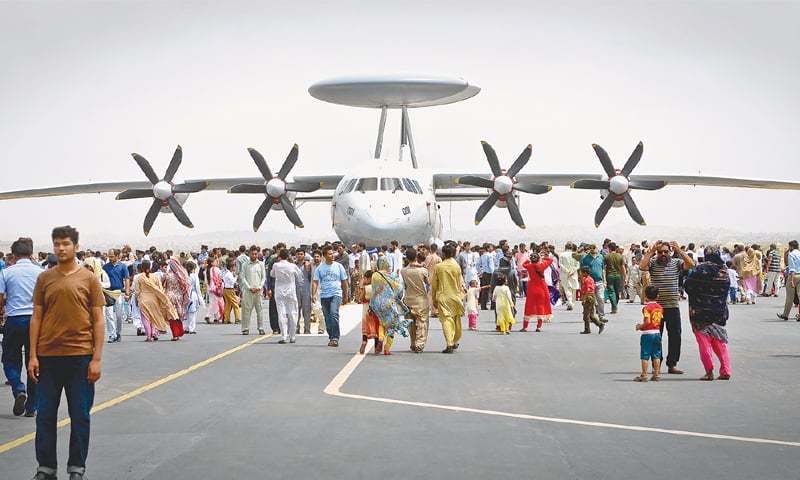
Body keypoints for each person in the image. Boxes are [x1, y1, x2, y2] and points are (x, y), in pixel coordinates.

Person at [28, 226, 105, 480]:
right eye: (57, 244)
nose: (61, 248)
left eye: (65, 244)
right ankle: (46, 467)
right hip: (48, 357)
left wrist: (96, 358)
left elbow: (98, 319)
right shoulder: (44, 278)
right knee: (45, 416)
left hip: (80, 357)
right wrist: (33, 356)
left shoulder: (89, 279)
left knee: (80, 416)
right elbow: (37, 316)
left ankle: (76, 468)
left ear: (76, 246)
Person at [0, 237, 43, 417]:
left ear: (14, 255)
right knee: (34, 363)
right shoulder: (41, 272)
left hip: (14, 320)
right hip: (36, 321)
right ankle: (31, 406)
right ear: (31, 253)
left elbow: (1, 299)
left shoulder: (6, 273)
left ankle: (18, 388)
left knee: (10, 359)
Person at [639, 241, 695, 374]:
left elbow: (691, 264)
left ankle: (672, 364)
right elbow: (642, 266)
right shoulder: (652, 262)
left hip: (672, 306)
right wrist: (651, 252)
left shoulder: (676, 262)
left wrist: (680, 251)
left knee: (675, 336)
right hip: (656, 308)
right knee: (656, 336)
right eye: (660, 252)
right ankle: (656, 364)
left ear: (670, 252)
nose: (663, 254)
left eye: (665, 251)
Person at [684, 248, 732, 381]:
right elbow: (726, 288)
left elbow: (688, 286)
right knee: (720, 343)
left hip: (700, 314)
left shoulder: (699, 270)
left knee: (704, 344)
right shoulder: (724, 271)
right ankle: (726, 370)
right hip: (718, 313)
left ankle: (709, 371)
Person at [370, 258, 410, 355]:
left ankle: (380, 339)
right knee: (392, 326)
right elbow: (400, 288)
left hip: (378, 303)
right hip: (389, 303)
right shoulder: (392, 276)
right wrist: (398, 298)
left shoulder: (375, 275)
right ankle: (387, 348)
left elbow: (374, 289)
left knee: (381, 324)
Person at [430, 244, 465, 353]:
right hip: (456, 296)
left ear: (444, 254)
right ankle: (454, 341)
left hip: (444, 297)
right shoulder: (457, 266)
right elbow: (460, 283)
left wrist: (434, 300)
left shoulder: (439, 267)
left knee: (446, 320)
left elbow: (434, 285)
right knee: (456, 320)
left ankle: (450, 343)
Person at [312, 246, 349, 347]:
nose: (332, 255)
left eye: (333, 253)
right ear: (324, 256)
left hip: (336, 294)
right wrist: (313, 294)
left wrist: (346, 295)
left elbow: (344, 281)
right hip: (324, 296)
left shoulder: (338, 266)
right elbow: (315, 282)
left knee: (334, 314)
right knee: (327, 318)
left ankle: (335, 337)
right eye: (329, 254)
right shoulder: (320, 268)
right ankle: (331, 336)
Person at [133, 260, 174, 342]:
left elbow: (137, 291)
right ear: (150, 267)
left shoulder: (139, 277)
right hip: (154, 299)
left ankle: (149, 336)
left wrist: (136, 299)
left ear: (141, 267)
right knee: (153, 317)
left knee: (145, 318)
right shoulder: (155, 276)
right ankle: (154, 333)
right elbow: (160, 288)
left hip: (143, 299)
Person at [401, 249, 431, 353]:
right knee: (422, 322)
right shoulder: (423, 270)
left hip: (408, 299)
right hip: (421, 300)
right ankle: (419, 344)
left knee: (411, 323)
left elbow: (404, 285)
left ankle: (413, 343)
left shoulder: (403, 271)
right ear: (416, 257)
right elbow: (428, 283)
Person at [271, 249, 301, 344]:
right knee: (293, 313)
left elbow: (272, 274)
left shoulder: (276, 265)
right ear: (288, 256)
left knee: (281, 313)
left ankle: (284, 336)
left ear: (280, 256)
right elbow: (299, 277)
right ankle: (292, 336)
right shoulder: (293, 266)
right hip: (291, 291)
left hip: (279, 291)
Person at [635, 285, 664, 382]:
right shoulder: (660, 307)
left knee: (645, 354)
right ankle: (656, 374)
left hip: (648, 333)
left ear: (646, 297)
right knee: (656, 354)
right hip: (657, 333)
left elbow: (647, 321)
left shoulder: (646, 308)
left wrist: (640, 326)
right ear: (657, 296)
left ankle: (644, 374)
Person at [521, 248, 554, 332]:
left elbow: (524, 264)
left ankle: (525, 327)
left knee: (528, 306)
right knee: (540, 306)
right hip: (542, 288)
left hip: (532, 288)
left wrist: (528, 259)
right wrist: (542, 257)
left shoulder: (529, 266)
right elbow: (550, 260)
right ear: (538, 259)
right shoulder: (542, 266)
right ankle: (538, 327)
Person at [239, 245, 267, 336]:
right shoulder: (245, 265)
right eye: (252, 254)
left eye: (256, 254)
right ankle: (245, 328)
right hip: (248, 291)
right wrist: (249, 287)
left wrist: (259, 287)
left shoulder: (261, 264)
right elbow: (243, 277)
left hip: (258, 291)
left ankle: (261, 328)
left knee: (260, 310)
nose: (254, 256)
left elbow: (263, 277)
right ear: (249, 254)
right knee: (246, 311)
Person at [162, 258, 189, 341]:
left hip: (169, 296)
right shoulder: (181, 275)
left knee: (172, 316)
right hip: (179, 296)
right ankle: (180, 331)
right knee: (178, 315)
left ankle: (175, 334)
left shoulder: (167, 275)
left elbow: (162, 284)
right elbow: (185, 286)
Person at [358, 270, 383, 354]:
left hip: (366, 310)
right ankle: (376, 348)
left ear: (368, 278)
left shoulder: (366, 288)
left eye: (364, 278)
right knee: (376, 328)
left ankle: (364, 341)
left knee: (365, 328)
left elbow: (360, 299)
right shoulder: (378, 288)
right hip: (375, 310)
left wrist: (361, 288)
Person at [580, 244, 606, 320]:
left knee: (601, 298)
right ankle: (591, 316)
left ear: (596, 248)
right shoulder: (585, 258)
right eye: (591, 248)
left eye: (594, 248)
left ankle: (601, 315)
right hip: (589, 282)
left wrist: (605, 281)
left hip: (599, 281)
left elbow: (603, 270)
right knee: (590, 300)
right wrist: (583, 282)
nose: (592, 249)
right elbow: (582, 271)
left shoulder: (600, 257)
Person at [778, 240, 800, 321]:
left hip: (793, 276)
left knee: (790, 297)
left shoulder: (791, 254)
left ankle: (785, 314)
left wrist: (791, 280)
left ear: (791, 246)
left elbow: (793, 267)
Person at [579, 266, 604, 334]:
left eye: (582, 272)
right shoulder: (588, 279)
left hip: (589, 297)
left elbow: (588, 290)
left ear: (585, 273)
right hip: (590, 297)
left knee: (586, 315)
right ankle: (600, 324)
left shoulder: (588, 280)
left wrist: (584, 299)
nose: (581, 274)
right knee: (591, 315)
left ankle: (587, 329)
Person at [604, 242, 626, 314]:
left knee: (611, 291)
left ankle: (614, 307)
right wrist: (625, 277)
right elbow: (623, 268)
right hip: (618, 276)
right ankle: (615, 306)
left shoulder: (607, 256)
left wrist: (604, 277)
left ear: (609, 248)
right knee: (617, 292)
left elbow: (604, 268)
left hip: (610, 275)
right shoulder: (620, 256)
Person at [184, 261, 204, 334]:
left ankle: (186, 327)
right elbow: (197, 287)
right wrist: (200, 299)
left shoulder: (184, 275)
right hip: (193, 295)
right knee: (193, 312)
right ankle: (191, 328)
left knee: (186, 312)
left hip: (186, 295)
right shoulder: (195, 276)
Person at [559, 243, 580, 311]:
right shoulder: (575, 254)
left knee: (567, 288)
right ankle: (572, 303)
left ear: (565, 247)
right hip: (573, 274)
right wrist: (572, 271)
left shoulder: (562, 254)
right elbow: (578, 265)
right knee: (574, 288)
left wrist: (567, 271)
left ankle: (570, 302)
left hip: (565, 274)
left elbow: (560, 264)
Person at [205, 256, 224, 323]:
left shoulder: (207, 270)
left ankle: (217, 317)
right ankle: (208, 315)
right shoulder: (216, 269)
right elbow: (220, 277)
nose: (217, 262)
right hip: (216, 288)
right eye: (216, 261)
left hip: (210, 288)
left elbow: (206, 281)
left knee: (213, 302)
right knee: (216, 303)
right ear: (212, 263)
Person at [221, 258, 240, 324]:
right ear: (231, 267)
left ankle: (227, 319)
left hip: (225, 289)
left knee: (228, 305)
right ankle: (237, 318)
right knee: (235, 304)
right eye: (234, 266)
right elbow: (233, 282)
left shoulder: (225, 272)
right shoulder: (229, 274)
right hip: (230, 290)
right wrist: (236, 277)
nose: (235, 268)